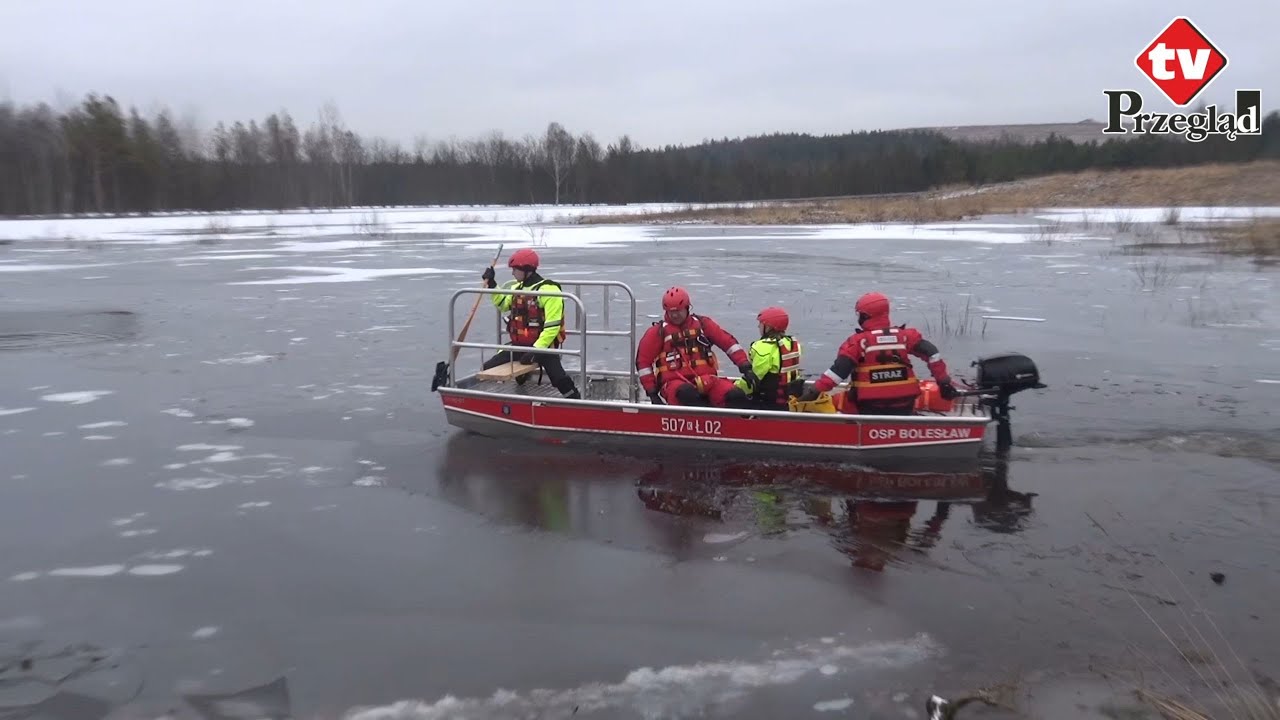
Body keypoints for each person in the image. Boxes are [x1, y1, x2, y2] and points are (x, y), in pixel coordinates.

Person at [797, 291, 958, 415]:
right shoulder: (906, 337)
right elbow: (932, 354)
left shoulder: (858, 342)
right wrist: (944, 382)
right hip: (905, 403)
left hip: (870, 406)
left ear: (865, 316)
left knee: (844, 401)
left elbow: (837, 374)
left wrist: (813, 392)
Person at [481, 248, 580, 399]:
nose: (512, 273)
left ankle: (575, 401)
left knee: (558, 378)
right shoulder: (517, 288)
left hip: (543, 347)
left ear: (527, 270)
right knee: (488, 367)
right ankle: (518, 388)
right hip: (520, 345)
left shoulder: (548, 290)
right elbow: (502, 304)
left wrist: (535, 350)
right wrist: (493, 285)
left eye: (515, 269)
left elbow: (552, 327)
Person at [635, 286, 754, 408]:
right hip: (674, 384)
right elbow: (643, 363)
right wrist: (652, 393)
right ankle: (706, 417)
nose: (675, 315)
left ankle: (735, 422)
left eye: (678, 311)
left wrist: (744, 365)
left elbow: (729, 343)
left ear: (687, 308)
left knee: (735, 396)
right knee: (687, 394)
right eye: (671, 312)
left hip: (707, 380)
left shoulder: (703, 324)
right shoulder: (658, 332)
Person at [733, 306, 804, 411]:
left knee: (732, 396)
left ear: (769, 327)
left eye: (761, 324)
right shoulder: (793, 344)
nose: (758, 326)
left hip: (768, 401)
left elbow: (754, 379)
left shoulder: (763, 347)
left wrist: (734, 387)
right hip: (789, 399)